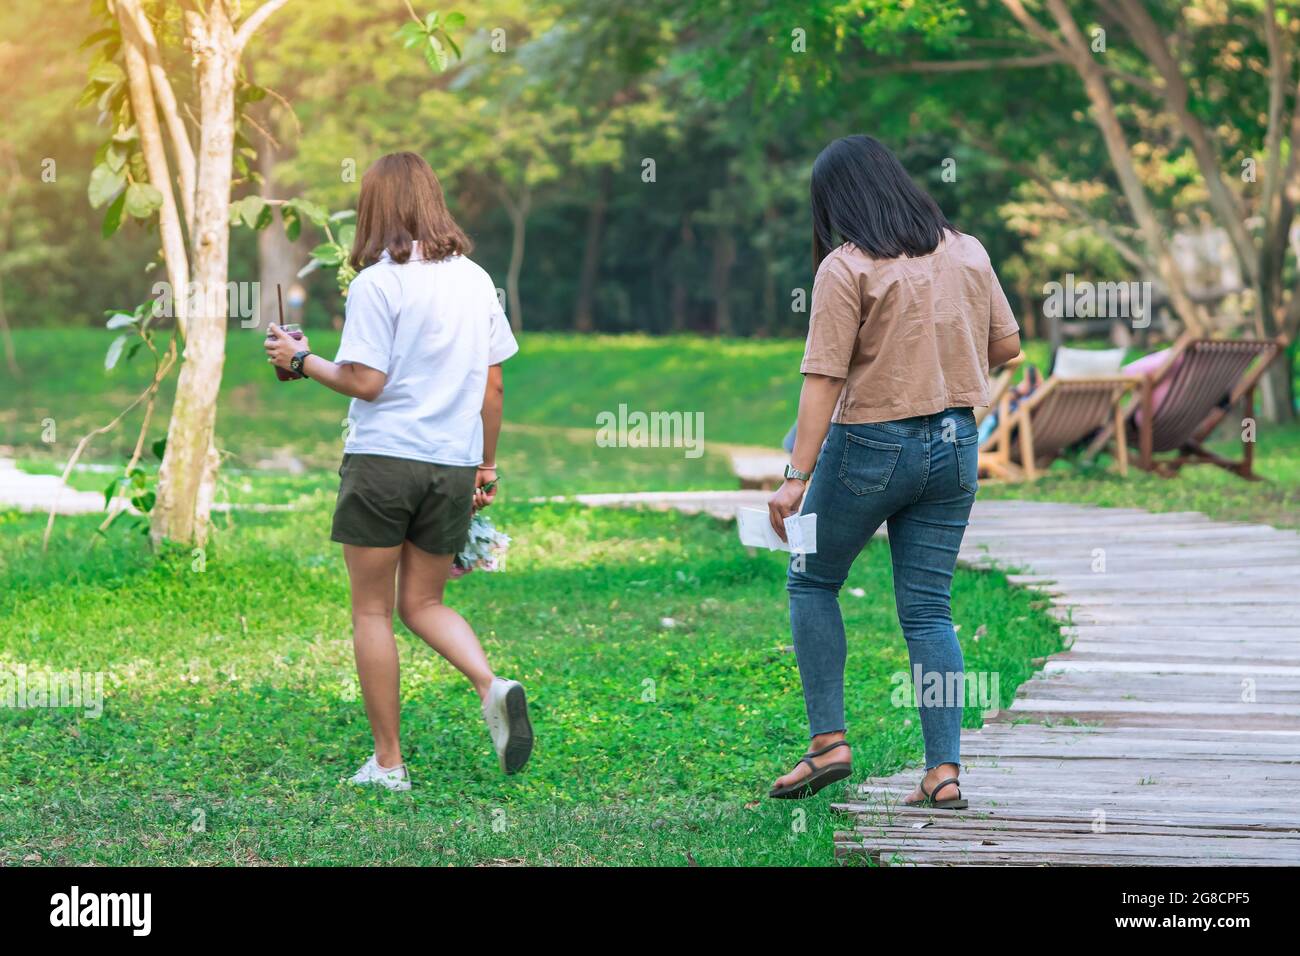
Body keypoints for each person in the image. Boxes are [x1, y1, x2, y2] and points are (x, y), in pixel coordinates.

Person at [264, 151, 533, 791]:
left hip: (385, 462)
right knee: (425, 601)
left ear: (375, 209)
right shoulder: (476, 280)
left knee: (373, 613)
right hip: (452, 464)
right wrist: (485, 468)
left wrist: (299, 360)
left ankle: (389, 764)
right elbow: (493, 386)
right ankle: (491, 684)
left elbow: (366, 380)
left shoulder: (378, 283)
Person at [766, 135, 1021, 805]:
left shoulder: (847, 268)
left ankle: (829, 743)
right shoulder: (966, 250)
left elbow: (822, 379)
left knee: (811, 577)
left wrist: (796, 476)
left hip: (868, 450)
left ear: (838, 202)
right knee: (930, 612)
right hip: (955, 447)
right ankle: (943, 773)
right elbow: (1008, 344)